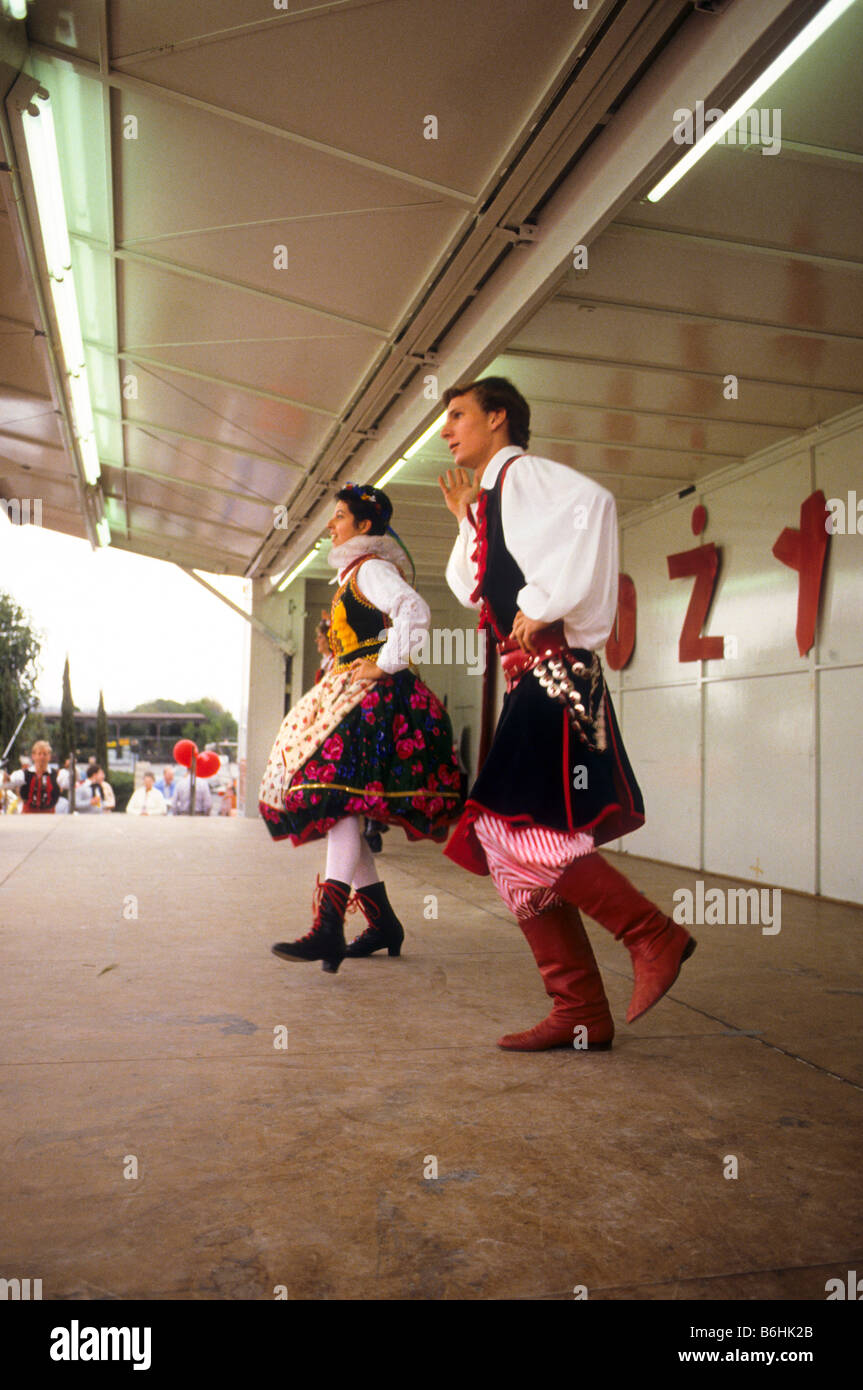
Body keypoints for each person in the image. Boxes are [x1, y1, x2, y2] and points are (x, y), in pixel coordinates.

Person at [439, 376, 696, 1052]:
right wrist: (471, 520)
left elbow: (593, 504)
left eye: (458, 415)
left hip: (554, 678)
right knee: (502, 846)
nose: (446, 430)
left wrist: (547, 601)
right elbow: (475, 583)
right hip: (537, 681)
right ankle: (579, 1008)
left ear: (498, 420)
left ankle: (651, 935)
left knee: (514, 830)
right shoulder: (496, 496)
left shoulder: (521, 474)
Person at [259, 483, 465, 973]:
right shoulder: (354, 573)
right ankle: (381, 924)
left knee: (338, 798)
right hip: (351, 696)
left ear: (364, 526)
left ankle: (329, 928)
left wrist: (383, 664)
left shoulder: (371, 569)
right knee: (341, 805)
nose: (331, 525)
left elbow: (414, 611)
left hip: (374, 704)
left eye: (340, 517)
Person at [7, 740, 61, 813]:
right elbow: (9, 781)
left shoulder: (56, 774)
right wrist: (6, 778)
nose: (42, 757)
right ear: (33, 756)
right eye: (39, 754)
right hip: (27, 816)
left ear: (49, 756)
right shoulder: (23, 774)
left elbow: (71, 781)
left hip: (49, 816)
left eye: (45, 754)